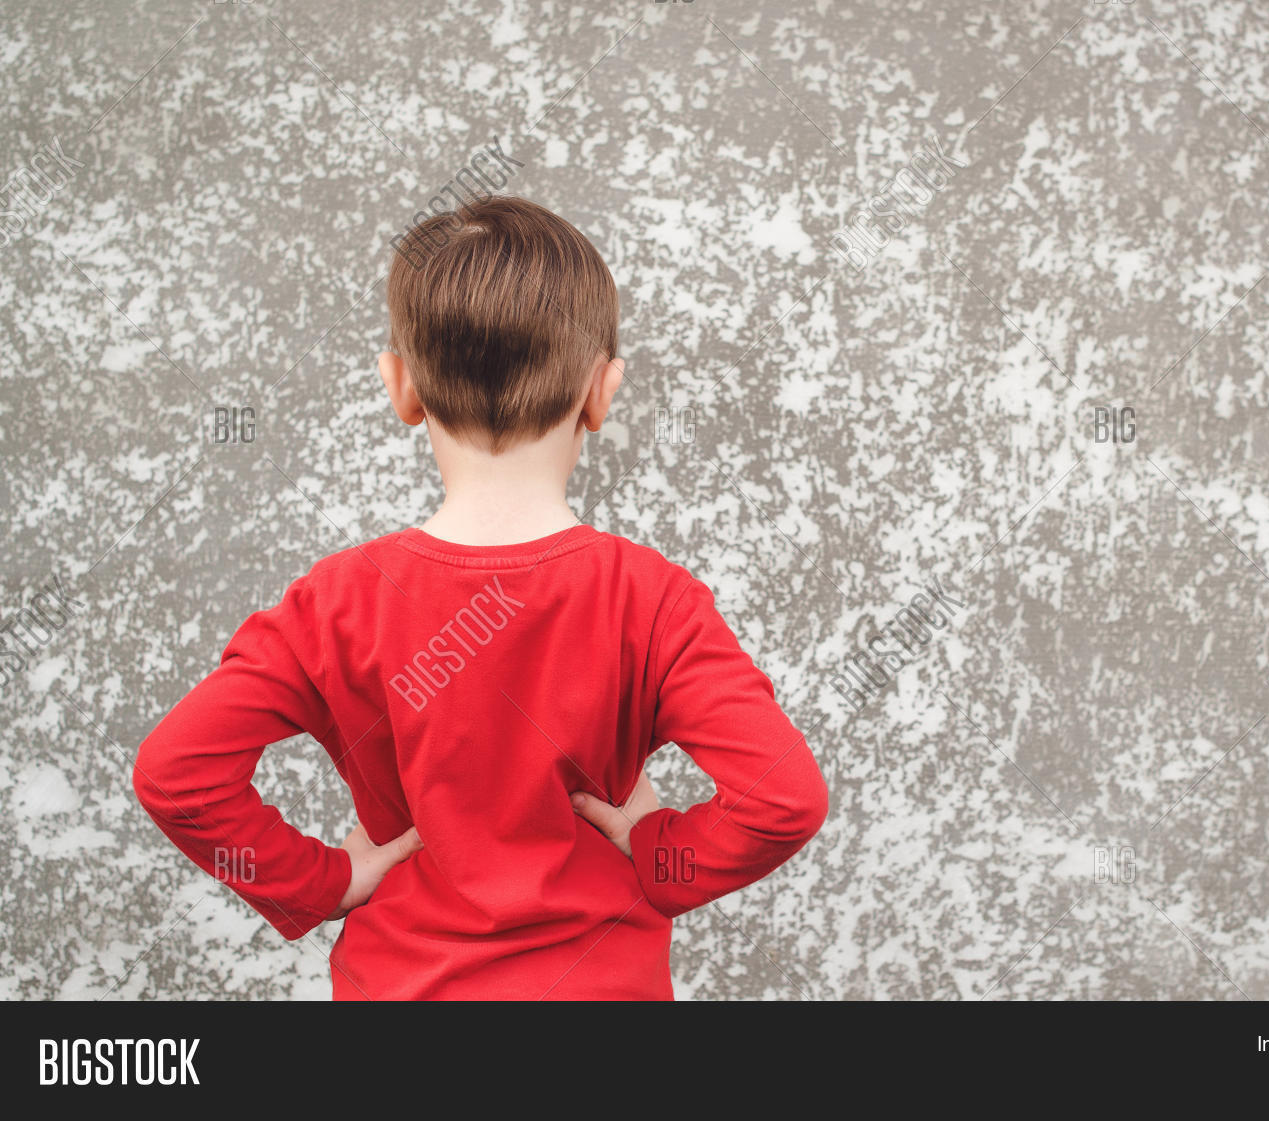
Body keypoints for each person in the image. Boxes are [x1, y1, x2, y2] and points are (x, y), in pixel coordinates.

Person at [133, 195, 828, 999]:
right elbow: (785, 799)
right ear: (602, 392)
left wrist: (321, 880)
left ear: (402, 388)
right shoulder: (653, 601)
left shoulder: (335, 604)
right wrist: (661, 852)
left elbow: (175, 775)